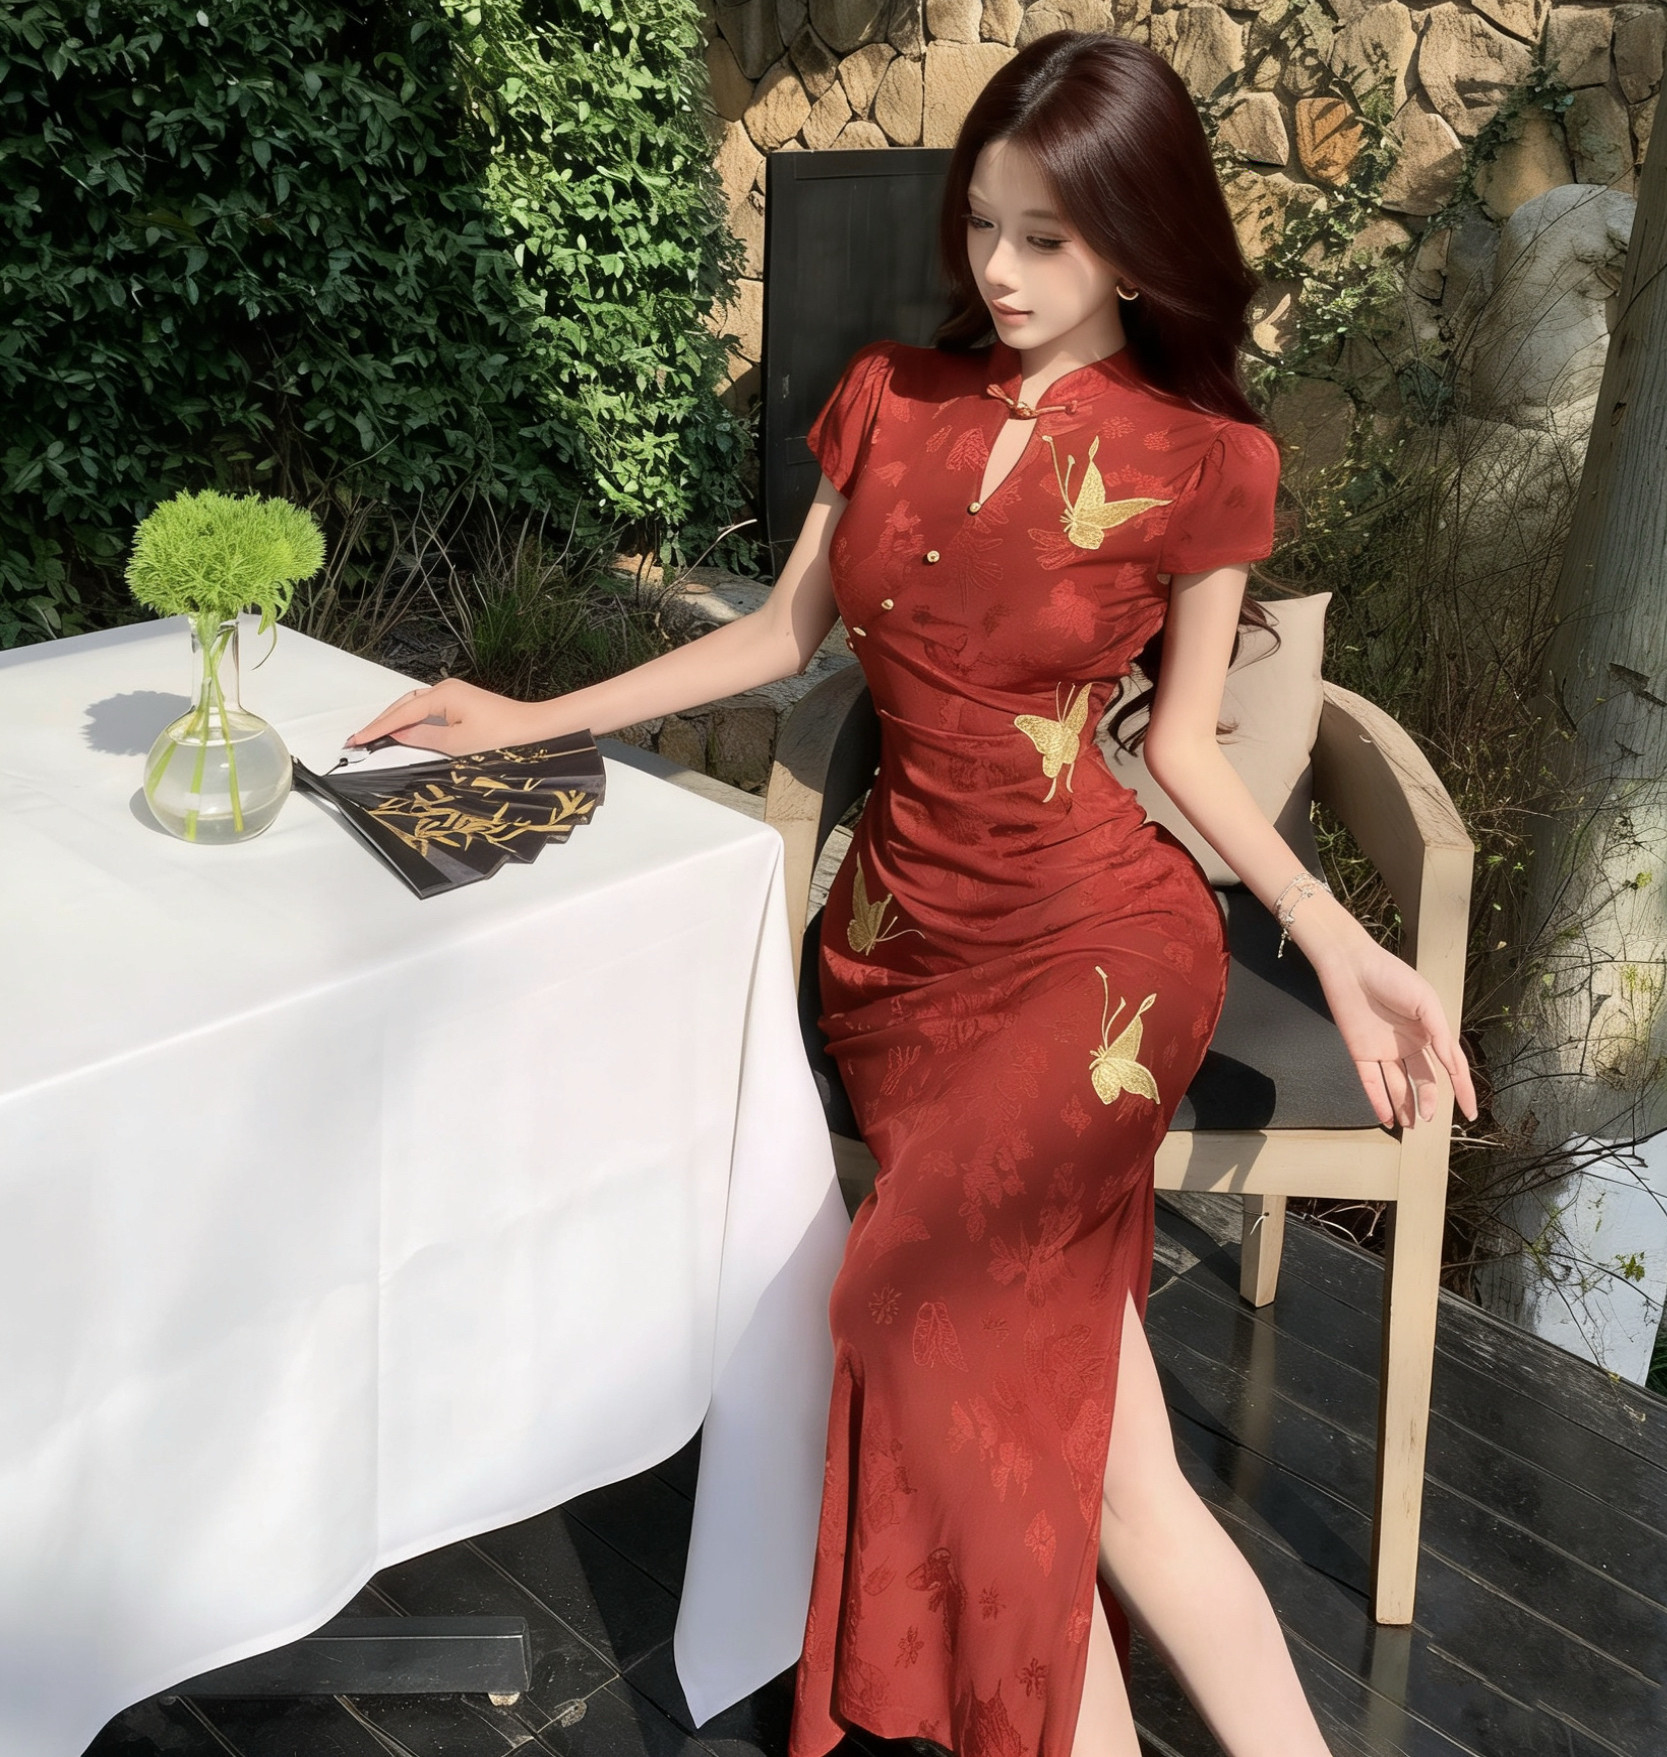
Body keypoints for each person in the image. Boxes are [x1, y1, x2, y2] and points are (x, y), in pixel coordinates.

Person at [349, 29, 1478, 1757]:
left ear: (1135, 244)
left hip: (1097, 951)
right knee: (1104, 1459)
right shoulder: (888, 396)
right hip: (896, 958)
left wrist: (1332, 938)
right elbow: (777, 635)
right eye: (983, 225)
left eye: (1047, 237)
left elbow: (1184, 745)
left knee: (908, 1310)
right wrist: (529, 715)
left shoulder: (1200, 458)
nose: (1000, 270)